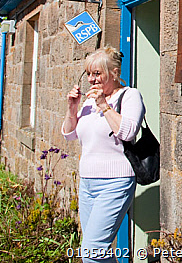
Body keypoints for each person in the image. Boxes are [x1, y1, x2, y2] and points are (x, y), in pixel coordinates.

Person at [62, 46, 145, 263]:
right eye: (89, 74)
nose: (91, 79)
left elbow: (127, 132)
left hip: (115, 182)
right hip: (88, 183)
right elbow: (70, 135)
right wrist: (72, 108)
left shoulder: (129, 96)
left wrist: (104, 105)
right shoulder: (88, 102)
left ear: (114, 73)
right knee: (96, 251)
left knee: (93, 253)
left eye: (97, 73)